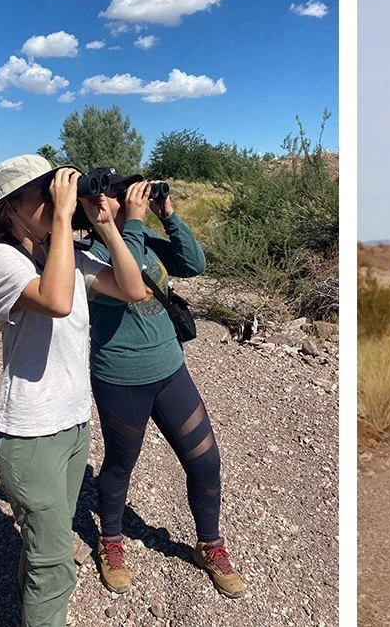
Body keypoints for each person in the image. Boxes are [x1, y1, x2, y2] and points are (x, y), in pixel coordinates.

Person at [0, 155, 147, 626]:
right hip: (30, 435)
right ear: (11, 209)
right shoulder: (1, 259)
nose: (58, 203)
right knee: (54, 567)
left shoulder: (65, 254)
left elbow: (133, 288)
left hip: (74, 426)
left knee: (43, 544)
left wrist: (105, 225)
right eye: (46, 195)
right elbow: (55, 300)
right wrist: (64, 215)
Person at [83, 173, 246, 599]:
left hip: (170, 369)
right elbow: (133, 284)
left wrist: (167, 214)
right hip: (121, 378)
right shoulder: (87, 254)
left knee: (205, 461)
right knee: (121, 465)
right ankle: (111, 541)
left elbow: (194, 264)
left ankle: (210, 545)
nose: (127, 198)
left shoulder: (144, 237)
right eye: (117, 193)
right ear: (97, 203)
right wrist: (134, 223)